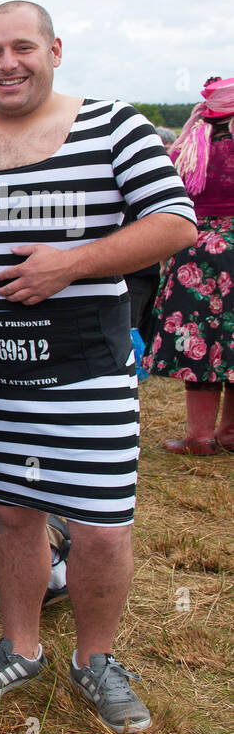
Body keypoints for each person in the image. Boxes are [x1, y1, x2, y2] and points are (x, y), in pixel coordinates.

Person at [0, 0, 196, 734]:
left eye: (22, 47)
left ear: (55, 50)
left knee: (102, 526)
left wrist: (69, 265)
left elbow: (175, 222)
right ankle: (20, 646)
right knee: (14, 518)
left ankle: (95, 659)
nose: (7, 63)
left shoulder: (114, 125)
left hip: (87, 370)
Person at [144, 75, 234, 454]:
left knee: (199, 343)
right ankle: (230, 434)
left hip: (197, 251)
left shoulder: (189, 150)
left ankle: (199, 438)